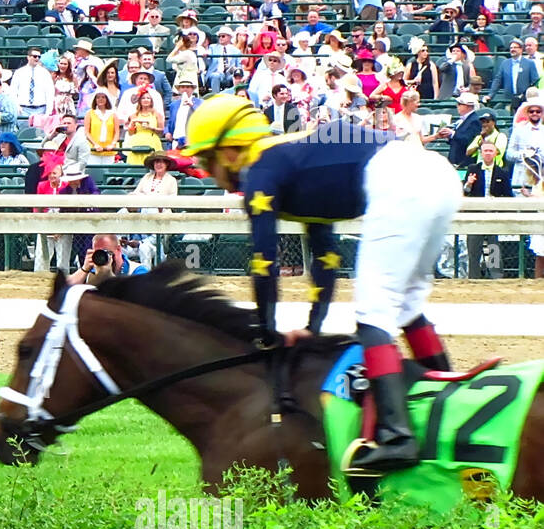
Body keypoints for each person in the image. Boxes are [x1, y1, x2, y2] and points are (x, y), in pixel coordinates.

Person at [183, 94, 464, 478]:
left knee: (373, 310)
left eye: (205, 161)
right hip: (438, 176)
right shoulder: (292, 160)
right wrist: (312, 330)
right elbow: (326, 261)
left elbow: (264, 262)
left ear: (230, 153)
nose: (207, 173)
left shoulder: (261, 172)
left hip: (400, 180)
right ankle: (452, 399)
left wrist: (266, 333)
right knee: (408, 304)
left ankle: (397, 439)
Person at [463, 140, 514, 279]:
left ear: (496, 153)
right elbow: (465, 191)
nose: (488, 153)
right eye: (485, 150)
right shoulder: (473, 169)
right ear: (481, 152)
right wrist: (469, 183)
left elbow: (509, 195)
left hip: (494, 214)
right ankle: (473, 277)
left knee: (494, 247)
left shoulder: (502, 172)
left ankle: (496, 276)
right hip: (475, 214)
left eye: (490, 151)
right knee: (473, 247)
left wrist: (497, 202)